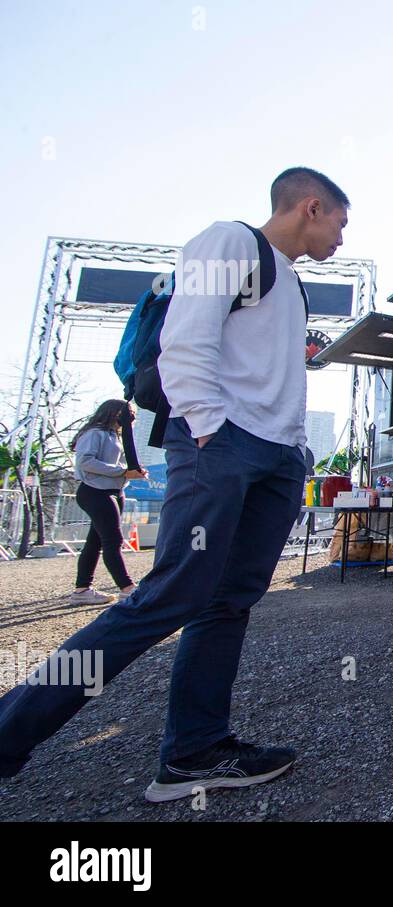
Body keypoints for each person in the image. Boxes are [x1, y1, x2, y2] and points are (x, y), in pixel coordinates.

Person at [0, 167, 348, 802]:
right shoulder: (230, 241)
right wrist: (211, 430)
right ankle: (7, 733)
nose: (341, 240)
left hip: (274, 455)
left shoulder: (290, 282)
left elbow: (252, 361)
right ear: (311, 206)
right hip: (223, 445)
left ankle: (193, 752)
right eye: (340, 225)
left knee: (227, 602)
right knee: (166, 598)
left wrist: (291, 443)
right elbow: (185, 340)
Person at [69, 399, 149, 605]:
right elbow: (85, 462)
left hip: (113, 491)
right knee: (113, 540)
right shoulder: (94, 433)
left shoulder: (116, 436)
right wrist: (122, 471)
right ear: (115, 413)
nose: (131, 418)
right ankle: (127, 587)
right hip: (95, 491)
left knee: (95, 542)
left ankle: (82, 589)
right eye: (128, 413)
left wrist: (132, 471)